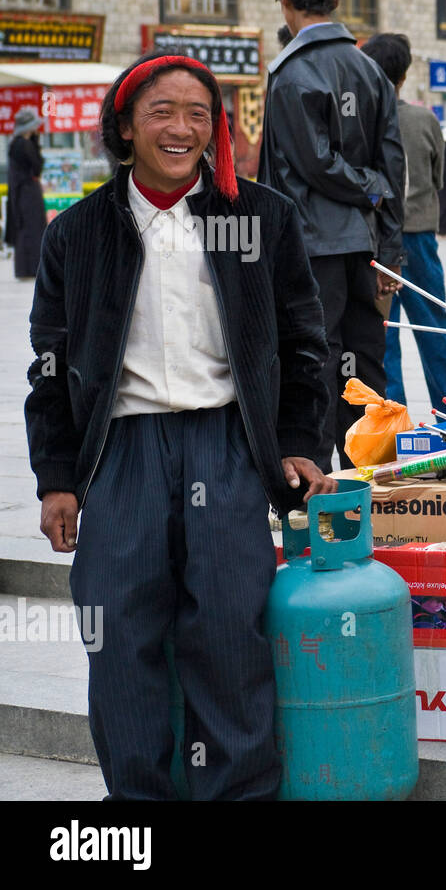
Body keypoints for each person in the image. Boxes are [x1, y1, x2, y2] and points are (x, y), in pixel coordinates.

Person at [25, 52, 335, 798]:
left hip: (223, 446)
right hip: (122, 455)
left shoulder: (257, 218)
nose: (182, 127)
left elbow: (302, 341)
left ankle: (239, 792)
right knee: (121, 636)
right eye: (162, 110)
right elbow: (49, 366)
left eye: (199, 114)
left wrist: (300, 442)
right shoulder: (80, 233)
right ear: (125, 126)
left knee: (229, 632)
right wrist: (57, 479)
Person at [258, 0, 405, 474]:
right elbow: (393, 167)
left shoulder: (292, 73)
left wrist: (365, 188)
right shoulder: (371, 70)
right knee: (365, 367)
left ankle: (311, 491)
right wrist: (390, 252)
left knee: (313, 366)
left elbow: (315, 164)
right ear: (337, 0)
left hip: (311, 247)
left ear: (283, 0)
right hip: (362, 248)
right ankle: (377, 481)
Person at [360, 33, 446, 412]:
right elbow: (437, 178)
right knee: (434, 327)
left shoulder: (365, 122)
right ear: (403, 77)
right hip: (418, 237)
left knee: (383, 334)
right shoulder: (424, 119)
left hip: (376, 239)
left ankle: (391, 417)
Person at [6, 105, 46, 279]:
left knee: (24, 227)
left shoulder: (15, 143)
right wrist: (36, 143)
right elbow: (37, 166)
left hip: (20, 191)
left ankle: (25, 269)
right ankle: (31, 268)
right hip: (28, 191)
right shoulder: (24, 144)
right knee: (32, 228)